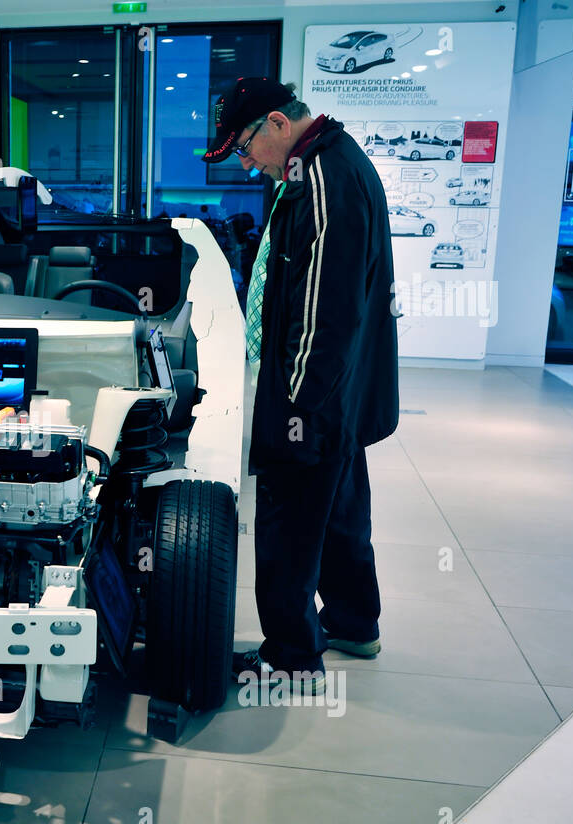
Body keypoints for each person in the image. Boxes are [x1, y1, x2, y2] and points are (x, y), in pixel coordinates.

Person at [202, 78, 399, 694]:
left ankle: (289, 654)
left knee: (288, 525)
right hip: (344, 395)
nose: (245, 161)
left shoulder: (319, 179)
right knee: (339, 516)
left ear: (278, 125)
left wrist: (295, 407)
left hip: (313, 399)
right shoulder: (335, 161)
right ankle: (353, 622)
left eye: (244, 146)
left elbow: (323, 310)